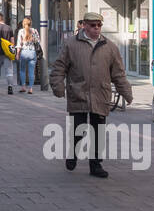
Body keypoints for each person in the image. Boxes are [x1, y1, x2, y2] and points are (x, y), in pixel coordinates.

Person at [49, 13, 131, 179]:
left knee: (98, 131)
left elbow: (118, 73)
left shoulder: (109, 46)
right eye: (92, 25)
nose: (96, 28)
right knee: (79, 129)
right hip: (78, 93)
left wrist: (126, 92)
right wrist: (58, 86)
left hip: (100, 94)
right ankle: (73, 153)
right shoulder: (71, 44)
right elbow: (59, 67)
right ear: (84, 25)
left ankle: (96, 165)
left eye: (99, 25)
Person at [17, 17, 39, 92]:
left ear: (23, 23)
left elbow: (19, 44)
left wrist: (17, 54)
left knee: (22, 70)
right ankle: (30, 88)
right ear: (30, 23)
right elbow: (37, 41)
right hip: (32, 52)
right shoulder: (34, 31)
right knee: (31, 71)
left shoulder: (21, 31)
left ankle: (23, 87)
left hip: (24, 52)